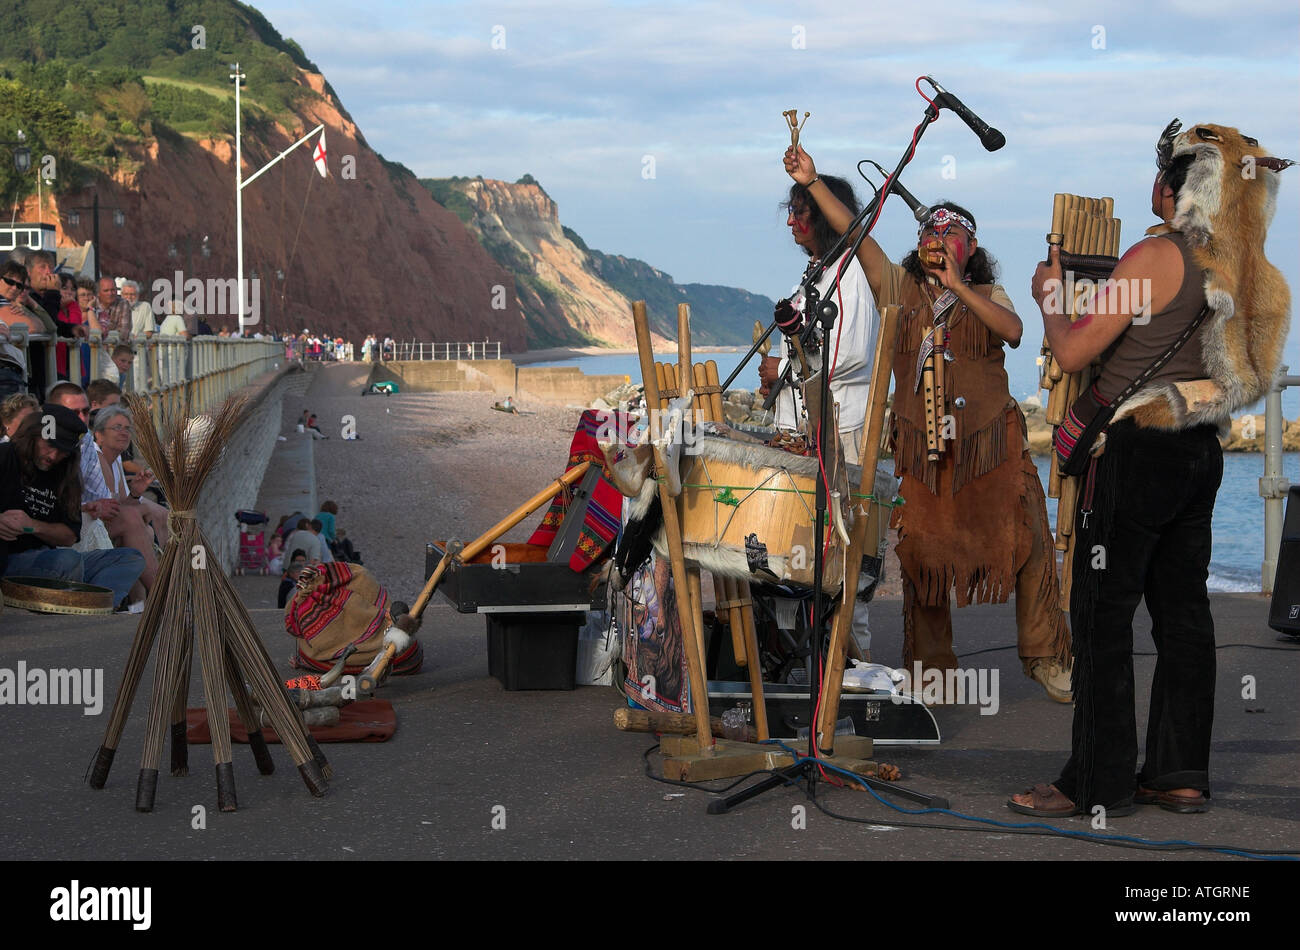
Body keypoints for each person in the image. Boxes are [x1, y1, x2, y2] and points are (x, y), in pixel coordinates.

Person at [1010, 120, 1294, 818]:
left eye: (1162, 178)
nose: (1154, 189)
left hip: (1136, 453)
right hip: (1198, 450)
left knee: (1104, 621)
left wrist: (1050, 291)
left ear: (1178, 189)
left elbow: (1074, 353)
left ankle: (1095, 782)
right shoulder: (1237, 265)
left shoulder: (1156, 256)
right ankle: (1178, 775)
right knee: (1183, 616)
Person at [784, 143, 1071, 702]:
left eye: (948, 238)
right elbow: (857, 239)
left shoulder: (988, 292)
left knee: (1031, 539)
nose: (935, 244)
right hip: (924, 454)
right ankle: (934, 676)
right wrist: (814, 182)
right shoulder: (899, 289)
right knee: (923, 563)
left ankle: (1043, 654)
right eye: (928, 237)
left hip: (990, 447)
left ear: (969, 250)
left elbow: (1013, 331)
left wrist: (960, 288)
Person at [758, 172, 881, 655]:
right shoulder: (812, 276)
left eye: (799, 212)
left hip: (839, 432)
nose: (790, 221)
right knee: (800, 558)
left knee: (842, 560)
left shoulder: (851, 274)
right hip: (803, 431)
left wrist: (784, 365)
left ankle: (853, 669)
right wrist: (776, 374)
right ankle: (805, 659)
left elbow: (849, 352)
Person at [0, 405, 144, 607]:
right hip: (9, 559)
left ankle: (92, 608)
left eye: (61, 452)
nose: (52, 456)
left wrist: (31, 525)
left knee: (131, 558)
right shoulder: (6, 456)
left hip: (47, 559)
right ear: (34, 436)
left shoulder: (65, 474)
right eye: (48, 446)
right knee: (68, 562)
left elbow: (69, 536)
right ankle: (83, 602)